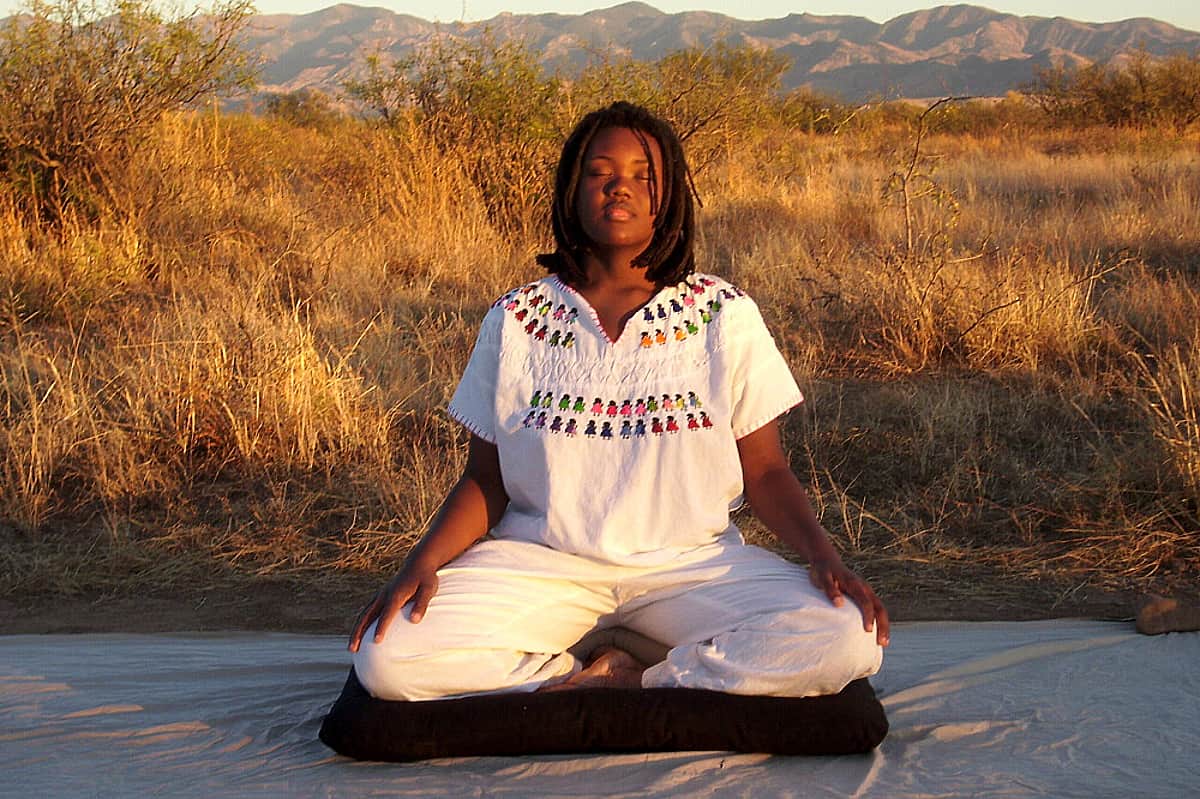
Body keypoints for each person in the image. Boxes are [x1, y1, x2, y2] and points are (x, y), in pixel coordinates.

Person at [348, 101, 888, 701]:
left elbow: (765, 470)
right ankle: (564, 674)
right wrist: (420, 563)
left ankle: (643, 675)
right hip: (545, 566)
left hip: (689, 567)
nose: (620, 188)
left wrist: (824, 556)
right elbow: (486, 478)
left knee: (846, 638)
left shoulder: (721, 313)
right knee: (388, 657)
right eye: (601, 172)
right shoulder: (517, 320)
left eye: (643, 175)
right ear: (572, 190)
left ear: (670, 195)